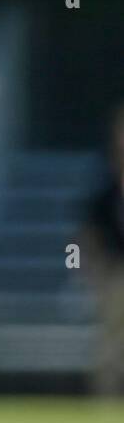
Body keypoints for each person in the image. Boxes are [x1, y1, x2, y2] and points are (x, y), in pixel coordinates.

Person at [87, 105, 124, 395]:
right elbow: (89, 234)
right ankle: (107, 395)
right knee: (111, 340)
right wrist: (94, 269)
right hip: (116, 272)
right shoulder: (106, 189)